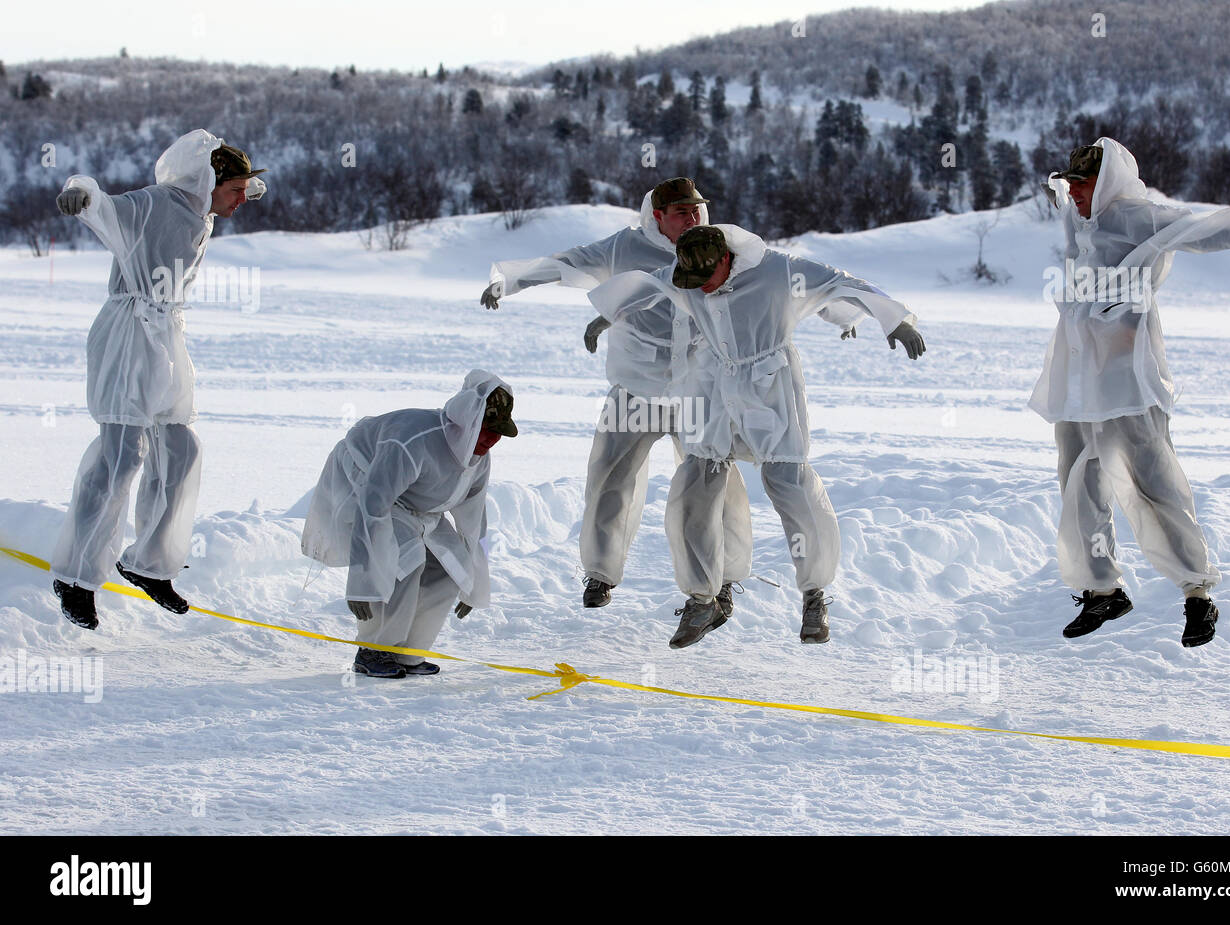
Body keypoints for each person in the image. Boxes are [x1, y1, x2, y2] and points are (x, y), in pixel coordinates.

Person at [590, 224, 926, 648]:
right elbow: (644, 287)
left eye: (705, 281)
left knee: (790, 484)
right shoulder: (687, 276)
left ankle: (814, 596)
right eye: (691, 284)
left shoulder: (778, 272)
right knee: (696, 482)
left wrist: (894, 320)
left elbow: (844, 284)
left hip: (771, 390)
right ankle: (701, 598)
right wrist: (605, 316)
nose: (700, 291)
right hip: (713, 386)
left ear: (725, 259)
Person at [1033, 138, 1230, 647]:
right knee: (1078, 482)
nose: (1075, 193)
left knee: (1153, 483)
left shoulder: (1135, 215)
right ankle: (1103, 590)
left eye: (1083, 185)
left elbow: (1194, 230)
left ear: (1105, 183)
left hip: (1126, 379)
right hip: (1080, 376)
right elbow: (1071, 225)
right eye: (1073, 185)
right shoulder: (1076, 218)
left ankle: (1197, 595)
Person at [480, 177, 752, 616]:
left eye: (697, 209)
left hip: (698, 392)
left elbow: (777, 275)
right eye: (682, 211)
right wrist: (508, 282)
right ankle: (601, 573)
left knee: (715, 486)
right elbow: (566, 262)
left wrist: (840, 310)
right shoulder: (622, 248)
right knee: (609, 480)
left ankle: (721, 580)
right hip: (636, 390)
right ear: (657, 215)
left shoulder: (718, 246)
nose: (693, 217)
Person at [50, 130, 266, 630]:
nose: (242, 200)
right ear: (206, 180)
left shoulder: (203, 208)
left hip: (166, 334)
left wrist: (241, 183)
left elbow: (235, 189)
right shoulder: (153, 204)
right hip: (127, 336)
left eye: (243, 190)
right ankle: (76, 577)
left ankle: (147, 563)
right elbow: (104, 205)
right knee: (121, 456)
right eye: (235, 190)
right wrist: (81, 188)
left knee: (182, 450)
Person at [300, 371, 518, 679]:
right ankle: (374, 649)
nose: (493, 439)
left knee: (451, 565)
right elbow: (373, 508)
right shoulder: (412, 442)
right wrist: (362, 583)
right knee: (405, 559)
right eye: (487, 429)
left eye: (500, 432)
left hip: (418, 505)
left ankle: (409, 652)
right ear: (468, 421)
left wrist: (475, 585)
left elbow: (474, 522)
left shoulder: (479, 456)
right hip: (367, 481)